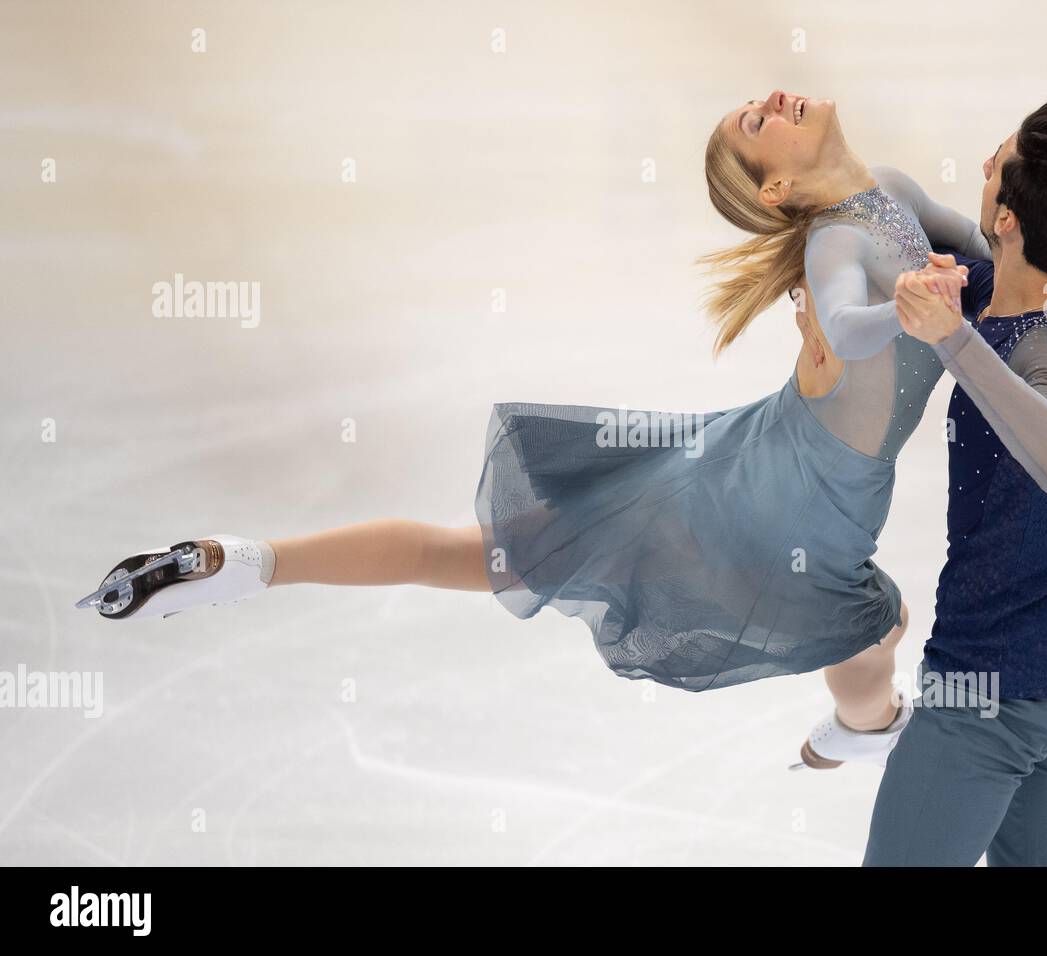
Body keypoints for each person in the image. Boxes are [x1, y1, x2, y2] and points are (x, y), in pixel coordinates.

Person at [76, 90, 983, 770]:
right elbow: (854, 315)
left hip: (736, 473)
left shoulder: (888, 198)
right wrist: (911, 309)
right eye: (755, 126)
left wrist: (1009, 276)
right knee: (877, 625)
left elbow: (978, 261)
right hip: (796, 511)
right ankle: (864, 734)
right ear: (779, 186)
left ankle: (251, 561)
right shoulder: (834, 245)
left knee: (473, 556)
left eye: (755, 109)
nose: (768, 102)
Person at [859, 99, 1047, 866]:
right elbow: (901, 202)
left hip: (992, 690)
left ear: (1008, 217)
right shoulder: (1008, 287)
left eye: (995, 159)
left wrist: (951, 339)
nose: (982, 166)